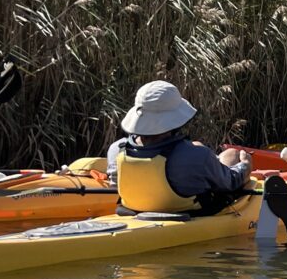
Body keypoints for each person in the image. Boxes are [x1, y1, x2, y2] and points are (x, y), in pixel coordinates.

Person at [105, 80, 251, 214]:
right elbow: (230, 182)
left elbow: (115, 186)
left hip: (134, 211)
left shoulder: (117, 150)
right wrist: (244, 165)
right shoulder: (198, 156)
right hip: (188, 215)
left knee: (211, 150)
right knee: (232, 154)